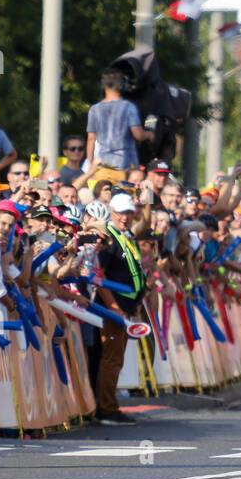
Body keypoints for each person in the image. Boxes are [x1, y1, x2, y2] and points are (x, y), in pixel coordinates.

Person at [93, 193, 147, 425]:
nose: (124, 217)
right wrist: (114, 307)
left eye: (128, 213)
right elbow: (98, 276)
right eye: (120, 213)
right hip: (112, 309)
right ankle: (106, 409)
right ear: (111, 212)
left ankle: (108, 404)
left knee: (116, 358)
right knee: (112, 358)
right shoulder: (109, 239)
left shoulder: (125, 236)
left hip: (125, 307)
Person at [86, 69, 154, 186]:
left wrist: (91, 165)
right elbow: (138, 134)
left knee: (104, 198)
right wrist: (149, 134)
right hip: (126, 165)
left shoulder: (95, 109)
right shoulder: (128, 107)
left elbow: (91, 139)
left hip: (102, 166)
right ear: (122, 86)